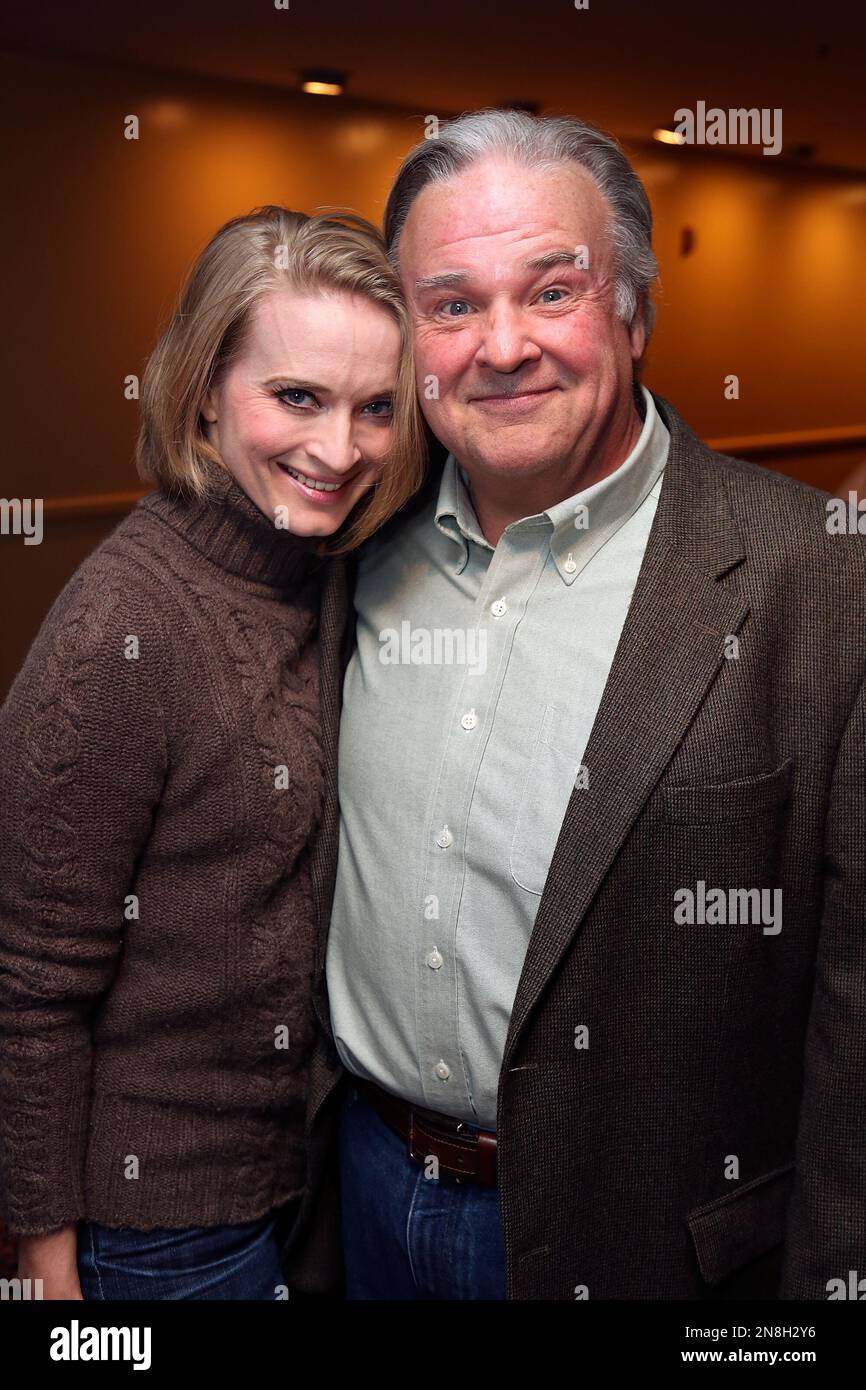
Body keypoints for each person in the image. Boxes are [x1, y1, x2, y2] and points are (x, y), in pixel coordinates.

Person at [287, 109, 866, 1300]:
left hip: (651, 1246)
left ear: (633, 313)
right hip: (359, 1198)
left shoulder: (816, 578)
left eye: (551, 291)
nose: (500, 347)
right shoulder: (350, 543)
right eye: (449, 305)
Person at [0, 204, 424, 1299]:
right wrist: (47, 1270)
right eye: (295, 397)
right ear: (198, 392)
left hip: (294, 1188)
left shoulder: (320, 568)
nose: (339, 450)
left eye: (374, 408)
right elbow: (29, 983)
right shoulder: (123, 630)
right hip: (150, 1237)